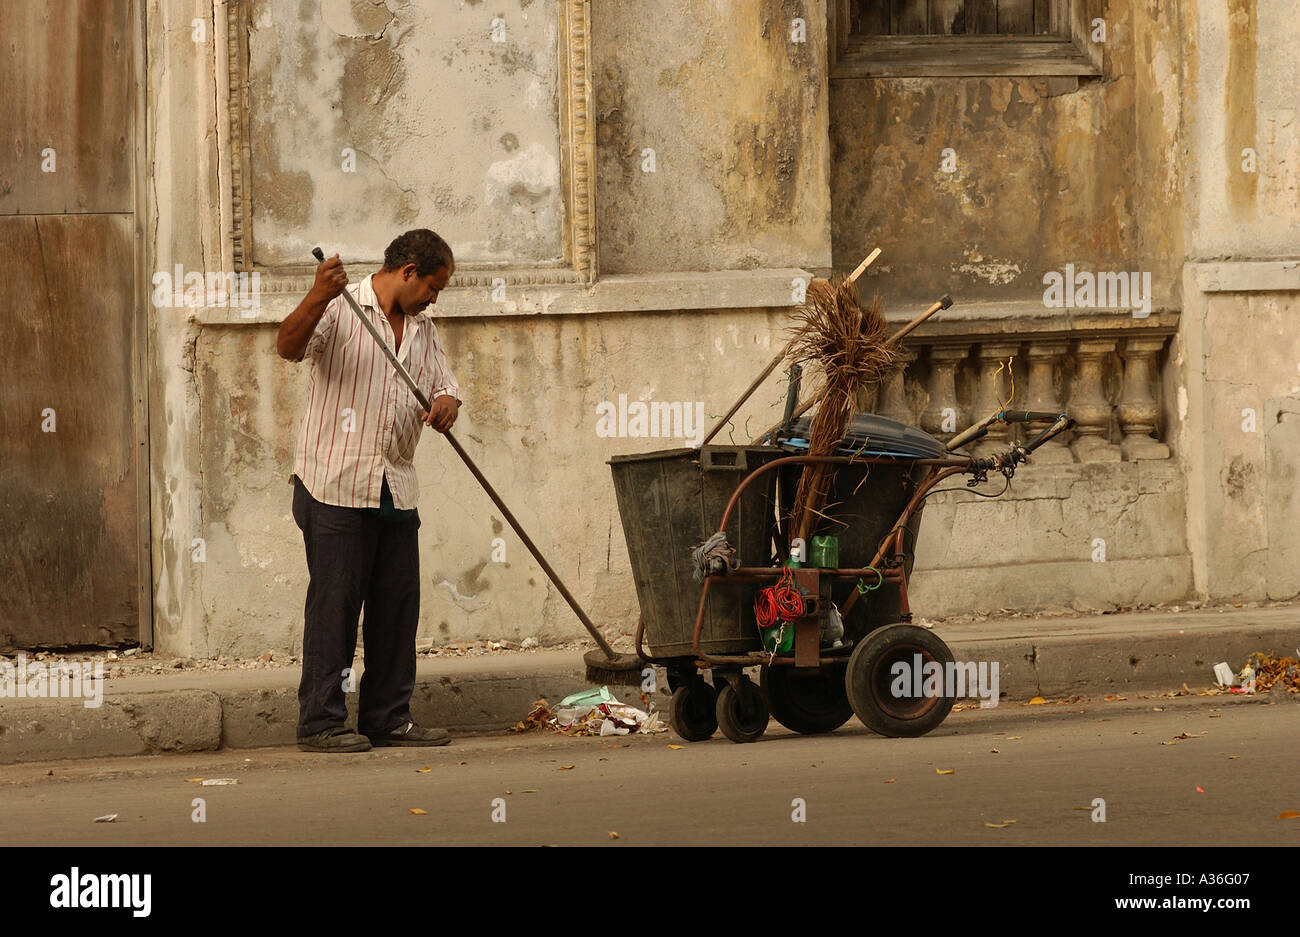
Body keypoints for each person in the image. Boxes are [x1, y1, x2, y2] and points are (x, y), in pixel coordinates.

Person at [276, 228, 462, 752]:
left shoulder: (422, 330)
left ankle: (387, 717)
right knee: (335, 608)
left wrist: (448, 403)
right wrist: (317, 293)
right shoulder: (339, 309)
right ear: (408, 273)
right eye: (433, 286)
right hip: (334, 482)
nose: (434, 297)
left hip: (396, 486)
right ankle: (321, 723)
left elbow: (444, 384)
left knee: (396, 608)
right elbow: (287, 348)